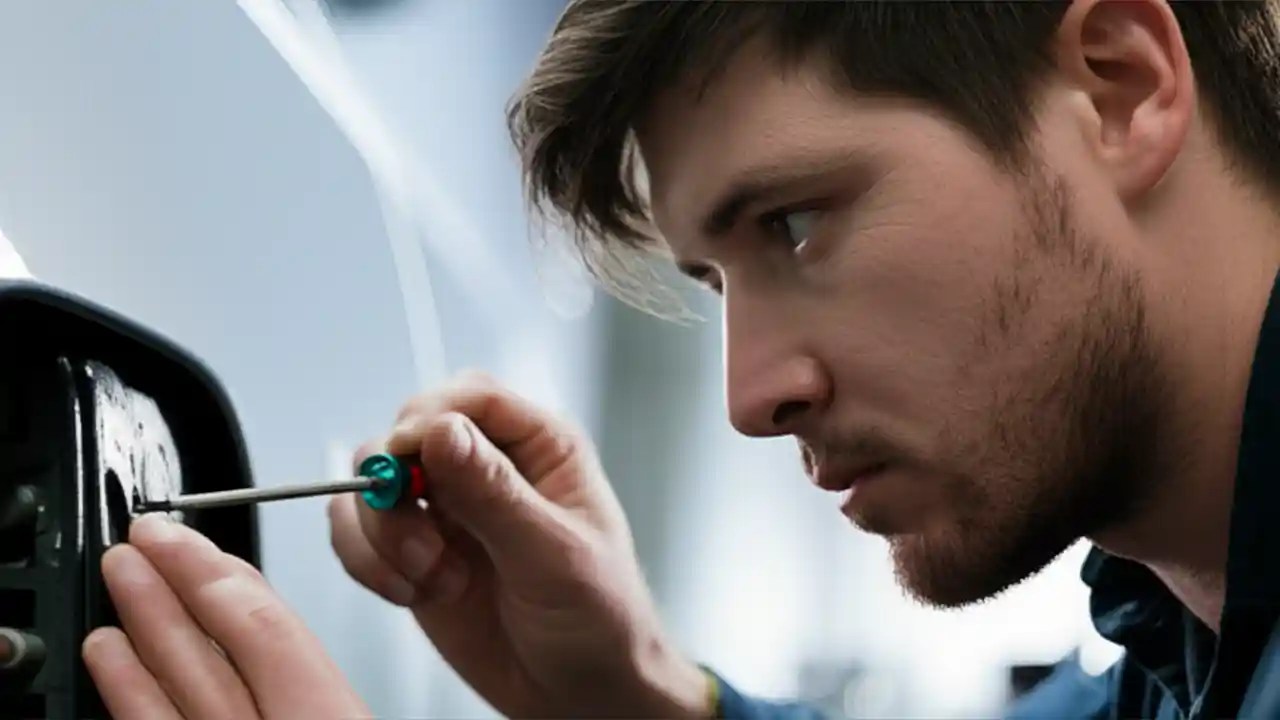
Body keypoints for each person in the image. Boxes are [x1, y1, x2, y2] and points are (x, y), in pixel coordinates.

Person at [82, 0, 1280, 717]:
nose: (750, 398)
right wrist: (640, 692)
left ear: (1118, 88)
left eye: (794, 225)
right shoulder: (1172, 649)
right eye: (714, 282)